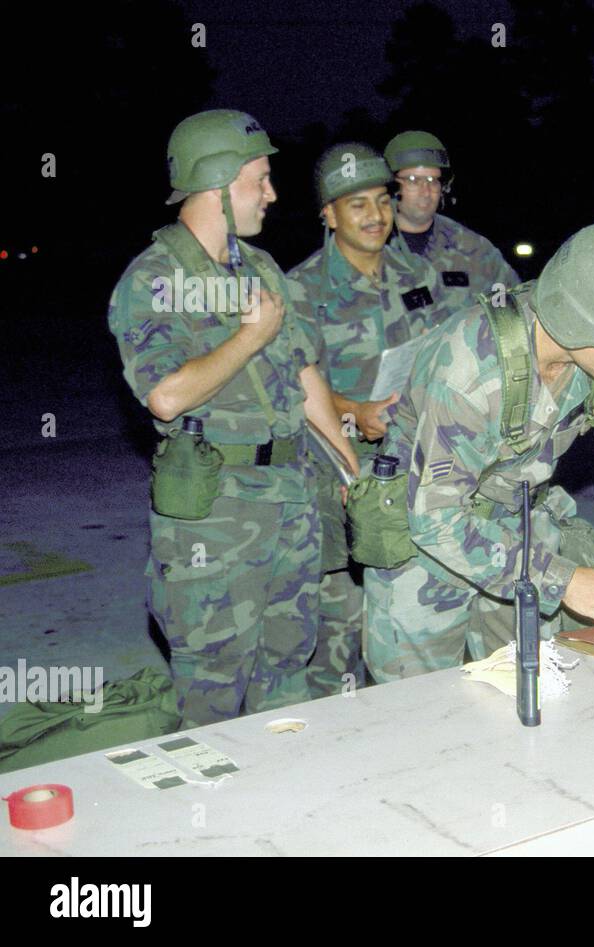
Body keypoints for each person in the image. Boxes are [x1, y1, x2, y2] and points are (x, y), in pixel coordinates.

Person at [362, 223, 594, 680]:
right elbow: (436, 520)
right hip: (425, 545)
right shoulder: (470, 365)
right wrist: (562, 579)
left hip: (520, 525)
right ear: (574, 323)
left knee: (533, 690)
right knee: (420, 713)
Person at [107, 110, 357, 728]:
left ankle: (286, 805)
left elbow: (303, 376)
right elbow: (165, 396)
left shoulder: (262, 268)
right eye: (260, 179)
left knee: (288, 674)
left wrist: (352, 468)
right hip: (214, 520)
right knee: (213, 691)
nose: (272, 194)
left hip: (290, 502)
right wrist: (250, 337)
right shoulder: (153, 280)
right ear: (217, 184)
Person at [285, 143, 444, 697]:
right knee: (343, 625)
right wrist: (357, 412)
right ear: (328, 215)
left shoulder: (418, 272)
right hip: (339, 479)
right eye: (357, 206)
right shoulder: (300, 289)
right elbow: (293, 387)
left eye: (382, 201)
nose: (376, 216)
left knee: (410, 618)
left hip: (418, 469)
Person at [384, 129, 519, 321]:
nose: (426, 191)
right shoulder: (365, 246)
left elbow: (512, 314)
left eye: (433, 180)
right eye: (413, 180)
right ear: (392, 185)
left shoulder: (475, 250)